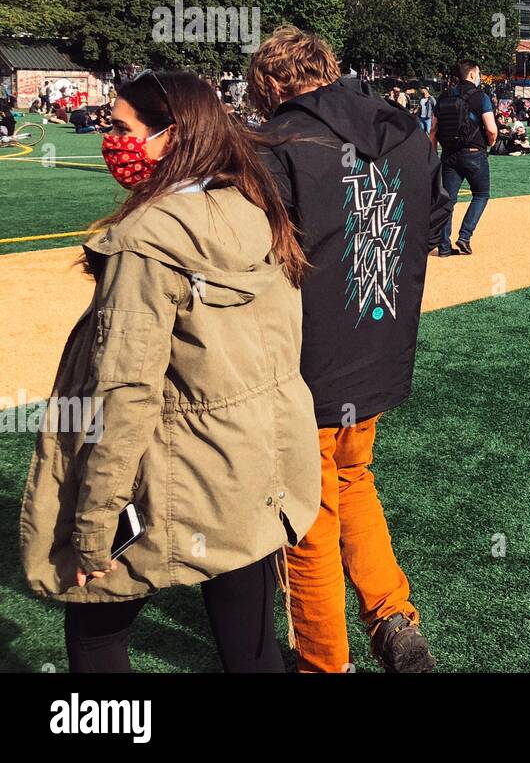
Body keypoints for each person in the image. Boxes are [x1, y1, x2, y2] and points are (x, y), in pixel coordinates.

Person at [21, 70, 320, 672]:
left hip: (176, 471)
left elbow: (125, 392)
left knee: (95, 627)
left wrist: (94, 519)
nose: (111, 138)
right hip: (248, 469)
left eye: (121, 126)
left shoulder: (146, 239)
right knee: (252, 647)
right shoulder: (249, 207)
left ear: (169, 136)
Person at [248, 28, 451, 674]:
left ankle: (324, 662)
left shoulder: (277, 142)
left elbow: (250, 255)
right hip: (379, 345)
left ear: (275, 83)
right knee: (352, 478)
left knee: (307, 517)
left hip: (305, 361)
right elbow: (436, 221)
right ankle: (393, 616)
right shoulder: (403, 126)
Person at [432, 60, 498, 257]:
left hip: (449, 155)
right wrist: (490, 144)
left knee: (448, 201)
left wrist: (433, 153)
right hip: (474, 153)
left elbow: (433, 130)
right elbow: (491, 129)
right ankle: (465, 236)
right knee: (481, 194)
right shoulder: (481, 97)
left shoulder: (444, 96)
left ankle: (444, 247)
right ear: (472, 75)